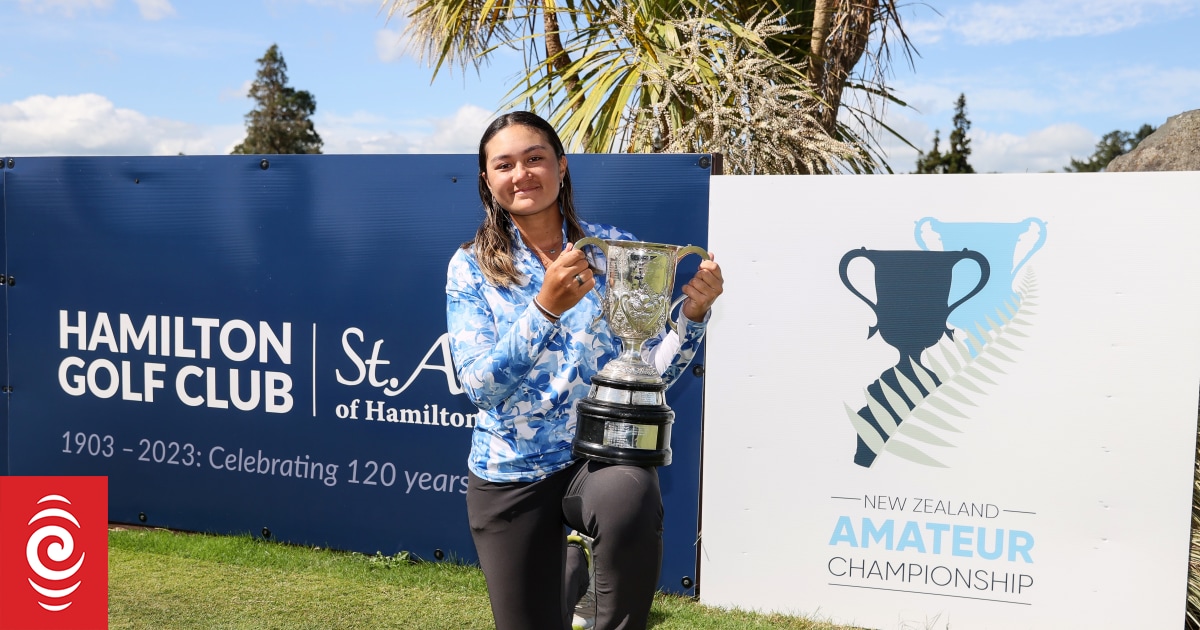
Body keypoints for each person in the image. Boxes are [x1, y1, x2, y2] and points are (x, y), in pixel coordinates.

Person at [445, 111, 724, 630]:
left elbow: (647, 374)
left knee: (630, 493)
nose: (521, 174)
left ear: (562, 165)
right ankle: (570, 569)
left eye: (534, 158)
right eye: (504, 164)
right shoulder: (471, 266)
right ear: (487, 179)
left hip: (595, 457)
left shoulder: (611, 248)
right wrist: (545, 308)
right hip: (513, 470)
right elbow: (480, 388)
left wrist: (691, 317)